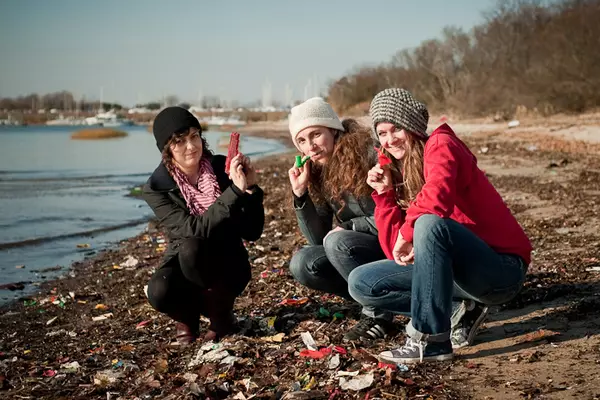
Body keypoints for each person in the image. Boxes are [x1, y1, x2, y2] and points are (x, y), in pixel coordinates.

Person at [348, 88, 532, 363]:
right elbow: (394, 254)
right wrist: (385, 196)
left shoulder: (441, 145)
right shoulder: (402, 169)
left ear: (411, 125)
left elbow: (437, 201)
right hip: (457, 278)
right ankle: (458, 308)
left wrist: (407, 233)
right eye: (382, 133)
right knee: (362, 283)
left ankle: (430, 340)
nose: (390, 140)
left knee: (429, 223)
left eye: (396, 129)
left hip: (500, 270)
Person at [142, 107, 264, 344]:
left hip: (230, 262)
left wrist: (250, 190)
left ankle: (221, 317)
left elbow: (253, 231)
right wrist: (233, 192)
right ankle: (187, 318)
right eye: (179, 141)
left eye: (194, 136)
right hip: (186, 259)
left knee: (192, 249)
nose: (191, 146)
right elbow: (193, 230)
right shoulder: (156, 188)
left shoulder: (222, 169)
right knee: (159, 289)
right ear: (166, 148)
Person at [287, 97, 391, 342]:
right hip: (359, 249)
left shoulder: (368, 154)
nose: (310, 146)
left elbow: (393, 214)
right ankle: (379, 298)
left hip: (392, 244)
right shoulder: (319, 171)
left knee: (338, 242)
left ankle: (377, 315)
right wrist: (300, 195)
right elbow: (317, 239)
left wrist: (348, 226)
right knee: (302, 263)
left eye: (316, 135)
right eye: (302, 140)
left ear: (333, 130)